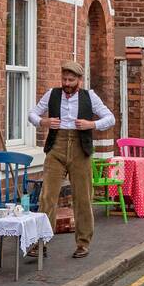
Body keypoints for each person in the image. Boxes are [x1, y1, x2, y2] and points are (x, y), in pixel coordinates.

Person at [29, 61, 116, 259]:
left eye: (71, 80)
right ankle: (40, 243)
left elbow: (110, 118)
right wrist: (43, 121)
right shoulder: (52, 94)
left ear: (79, 80)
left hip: (80, 148)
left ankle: (83, 243)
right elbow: (32, 113)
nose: (67, 83)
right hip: (56, 148)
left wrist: (91, 124)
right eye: (64, 79)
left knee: (83, 198)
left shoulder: (89, 96)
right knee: (47, 197)